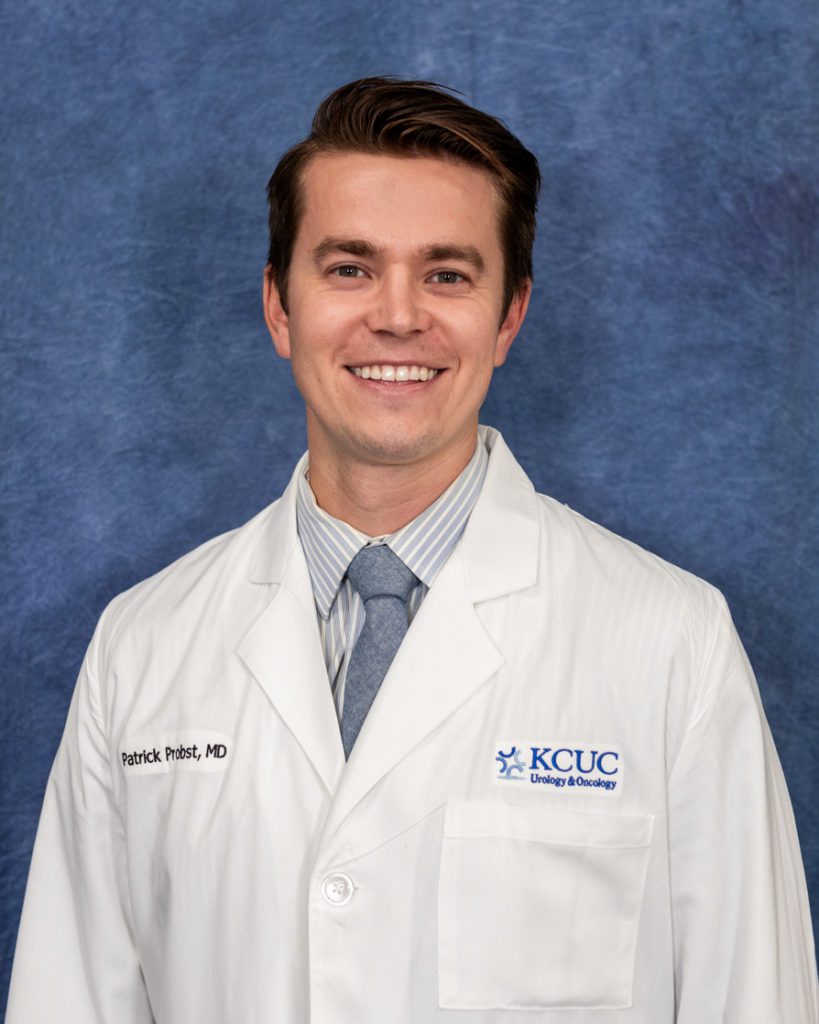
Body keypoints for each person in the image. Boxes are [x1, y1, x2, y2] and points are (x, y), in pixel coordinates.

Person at [6, 77, 817, 1023]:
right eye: (349, 268)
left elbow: (753, 1000)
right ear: (279, 308)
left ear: (509, 316)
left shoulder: (670, 641)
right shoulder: (143, 645)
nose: (397, 316)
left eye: (447, 275)